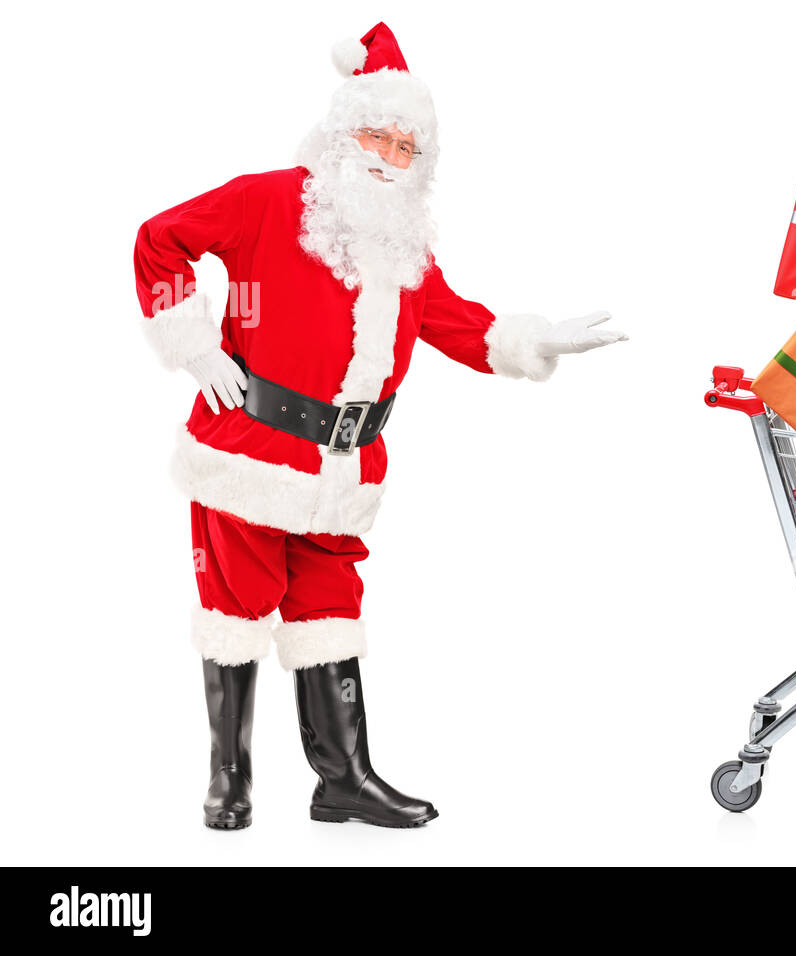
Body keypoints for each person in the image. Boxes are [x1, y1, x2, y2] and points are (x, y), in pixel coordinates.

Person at [133, 22, 625, 830]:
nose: (388, 158)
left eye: (406, 148)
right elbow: (160, 242)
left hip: (344, 465)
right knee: (237, 608)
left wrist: (535, 338)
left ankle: (344, 780)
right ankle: (230, 777)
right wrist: (192, 348)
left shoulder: (405, 248)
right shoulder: (267, 199)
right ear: (339, 133)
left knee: (329, 609)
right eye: (375, 137)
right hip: (253, 449)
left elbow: (460, 323)